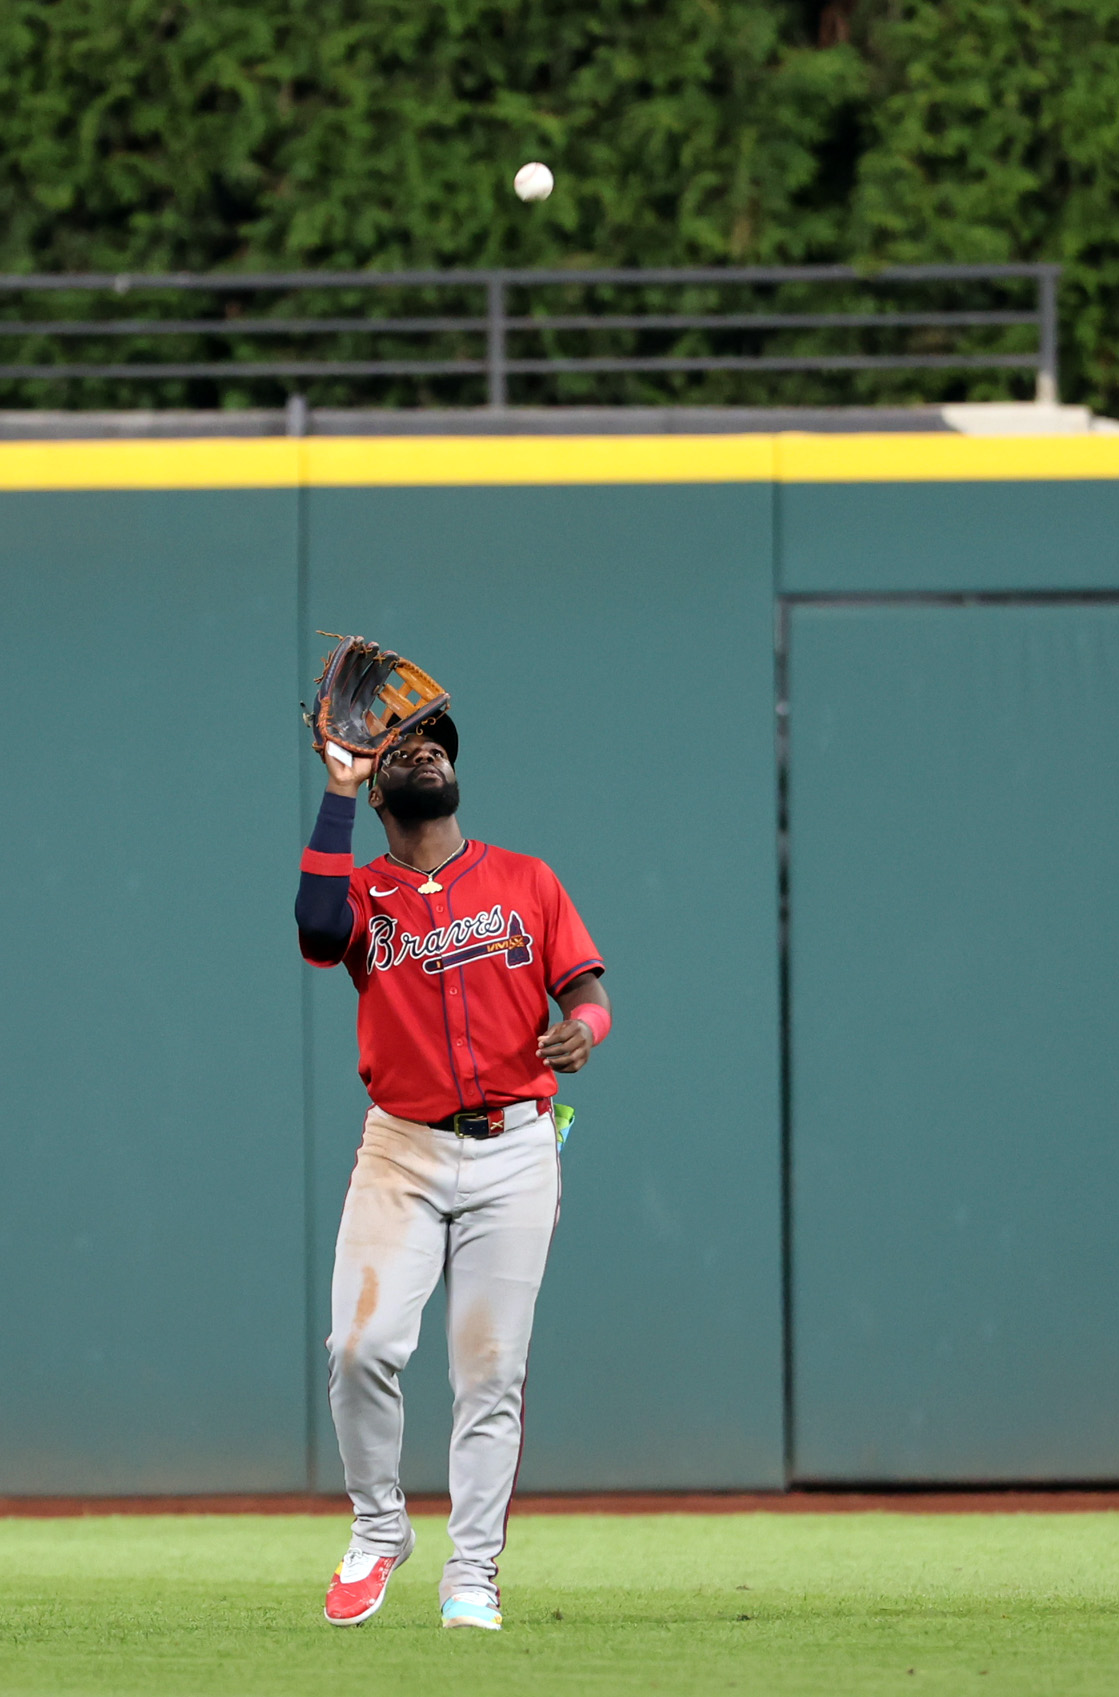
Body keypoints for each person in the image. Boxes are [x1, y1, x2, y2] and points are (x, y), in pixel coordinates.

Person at [294, 714, 611, 1632]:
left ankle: (472, 1571)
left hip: (516, 1147)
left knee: (489, 1372)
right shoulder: (361, 894)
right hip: (401, 1149)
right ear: (383, 791)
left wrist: (581, 1033)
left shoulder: (525, 879)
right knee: (359, 1348)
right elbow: (317, 931)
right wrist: (340, 786)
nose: (425, 749)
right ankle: (378, 1526)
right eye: (403, 749)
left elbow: (587, 992)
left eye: (436, 743)